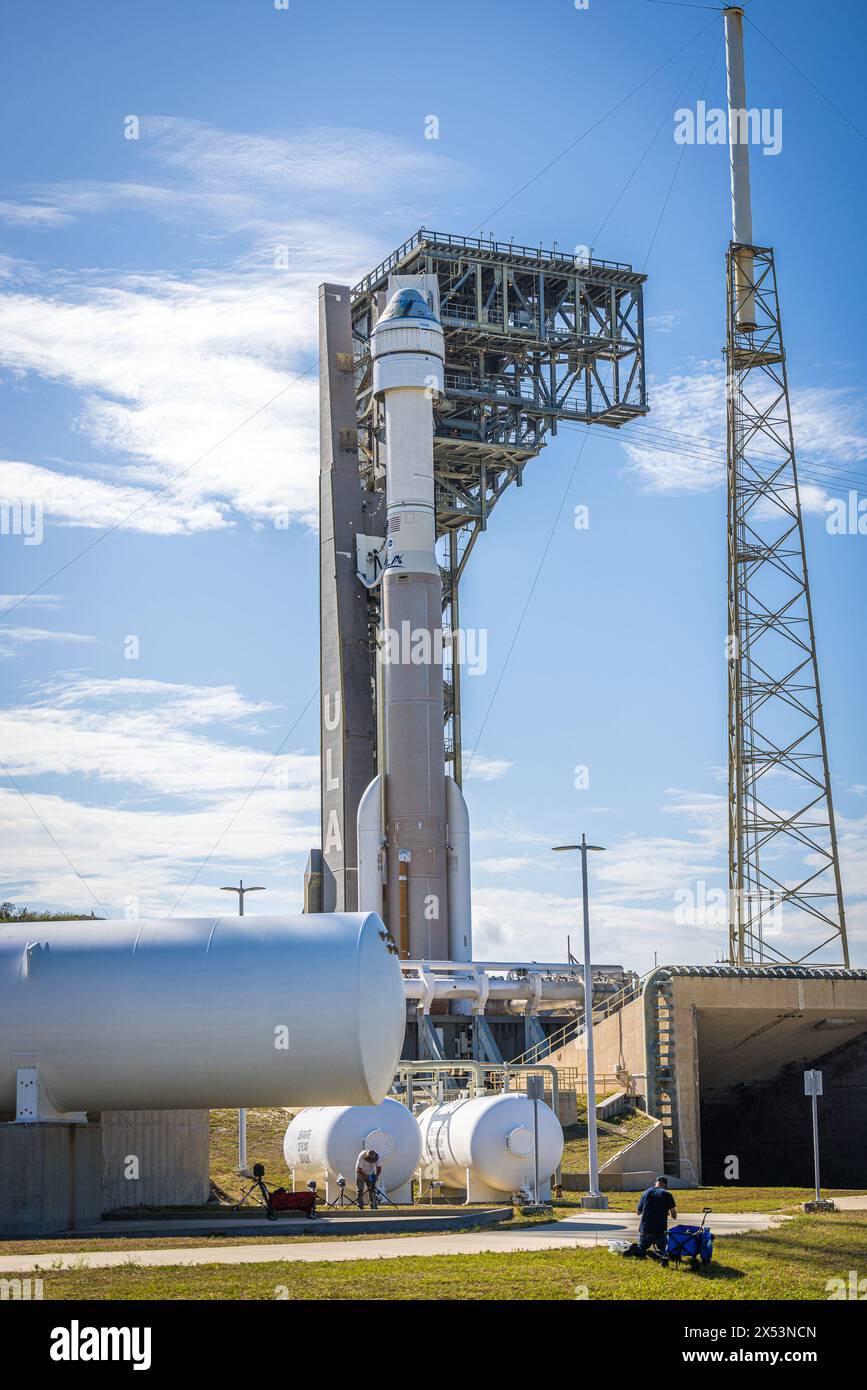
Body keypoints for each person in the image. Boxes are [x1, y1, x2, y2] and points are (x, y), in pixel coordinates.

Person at [635, 1176, 677, 1261]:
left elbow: (638, 1212)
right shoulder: (667, 1194)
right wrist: (668, 1213)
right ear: (665, 1185)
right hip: (659, 1230)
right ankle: (659, 1254)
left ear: (656, 1183)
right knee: (663, 1248)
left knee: (642, 1246)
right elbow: (674, 1214)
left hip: (645, 1229)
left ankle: (639, 1251)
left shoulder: (645, 1193)